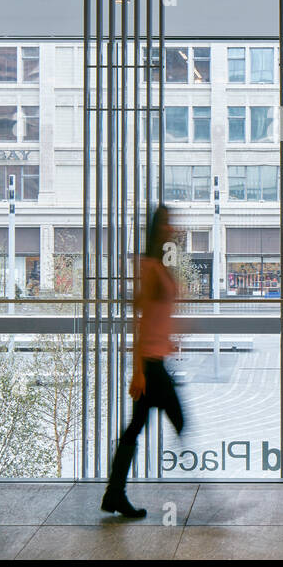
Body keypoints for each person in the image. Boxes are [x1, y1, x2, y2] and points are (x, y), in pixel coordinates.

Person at [101, 205, 184, 518]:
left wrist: (167, 340)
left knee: (135, 429)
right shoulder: (150, 268)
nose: (171, 228)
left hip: (157, 359)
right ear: (156, 228)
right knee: (177, 420)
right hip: (150, 365)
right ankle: (197, 489)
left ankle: (114, 494)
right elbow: (142, 321)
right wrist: (137, 372)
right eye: (166, 223)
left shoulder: (160, 266)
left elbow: (154, 314)